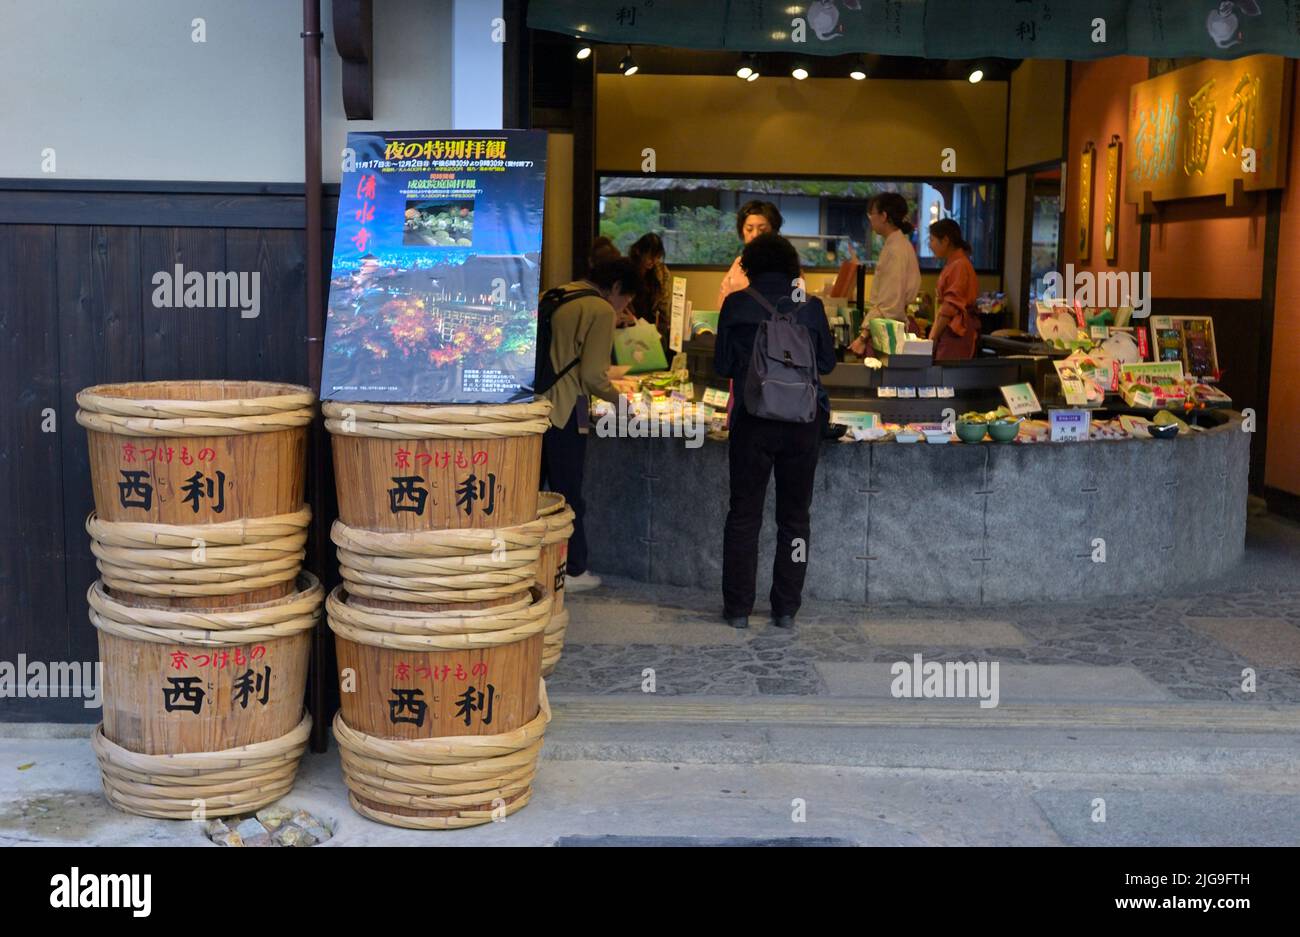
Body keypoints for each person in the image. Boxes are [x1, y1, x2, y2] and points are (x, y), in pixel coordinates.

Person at [713, 234, 836, 630]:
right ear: (791, 267)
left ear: (748, 265)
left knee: (744, 516)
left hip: (753, 422)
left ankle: (737, 610)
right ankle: (785, 608)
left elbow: (721, 366)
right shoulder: (810, 307)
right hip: (802, 425)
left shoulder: (736, 304)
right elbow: (828, 364)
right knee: (796, 519)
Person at [540, 258, 641, 592]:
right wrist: (621, 403)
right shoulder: (599, 310)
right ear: (615, 288)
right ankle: (573, 570)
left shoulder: (556, 294)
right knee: (569, 492)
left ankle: (532, 562)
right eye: (626, 298)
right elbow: (592, 377)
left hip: (532, 407)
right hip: (567, 409)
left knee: (533, 492)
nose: (625, 306)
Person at [847, 192, 921, 357]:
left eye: (871, 214)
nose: (870, 219)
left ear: (883, 216)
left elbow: (890, 304)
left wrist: (863, 337)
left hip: (889, 331)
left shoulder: (896, 250)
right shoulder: (898, 244)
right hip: (889, 327)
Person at [927, 218, 981, 360]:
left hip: (956, 332)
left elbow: (950, 306)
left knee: (949, 376)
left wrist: (933, 336)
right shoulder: (955, 264)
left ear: (945, 240)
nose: (929, 245)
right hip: (951, 330)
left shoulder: (959, 265)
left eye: (932, 240)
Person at [717, 200, 784, 307]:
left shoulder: (787, 263)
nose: (755, 235)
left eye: (762, 230)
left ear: (774, 232)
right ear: (742, 232)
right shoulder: (738, 264)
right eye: (749, 229)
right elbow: (722, 305)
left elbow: (799, 303)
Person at [627, 232, 673, 347]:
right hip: (630, 323)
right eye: (650, 256)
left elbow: (663, 305)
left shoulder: (661, 273)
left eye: (657, 257)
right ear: (639, 252)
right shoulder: (627, 269)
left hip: (653, 324)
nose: (654, 261)